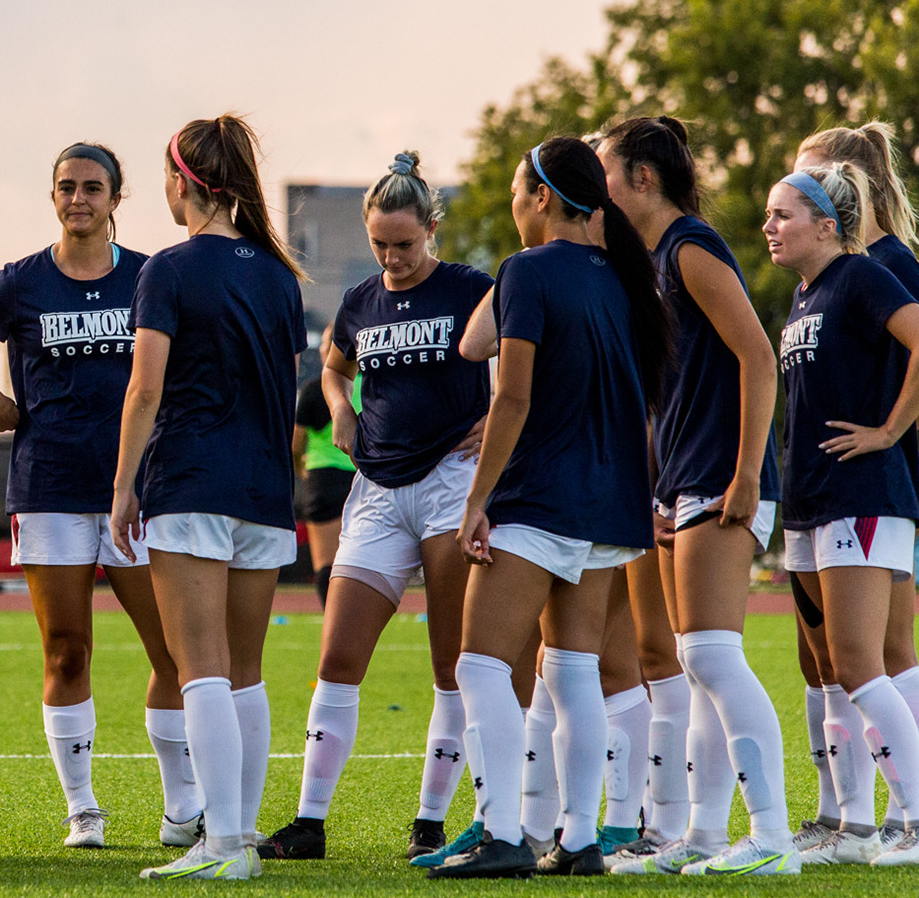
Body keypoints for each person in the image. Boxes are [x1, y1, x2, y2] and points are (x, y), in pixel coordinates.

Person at [0, 142, 199, 850]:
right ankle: (83, 809)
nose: (78, 198)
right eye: (66, 187)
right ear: (52, 197)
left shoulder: (152, 275)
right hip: (48, 487)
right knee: (66, 651)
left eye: (92, 187)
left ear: (117, 197)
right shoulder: (20, 281)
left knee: (170, 650)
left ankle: (183, 808)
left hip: (137, 491)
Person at [427, 136, 668, 879]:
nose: (510, 203)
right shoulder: (622, 276)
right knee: (571, 670)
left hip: (541, 501)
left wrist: (476, 502)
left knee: (479, 666)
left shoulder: (527, 271)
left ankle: (501, 832)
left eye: (512, 190)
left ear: (539, 196)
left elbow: (513, 395)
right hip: (609, 504)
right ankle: (582, 840)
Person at [259, 151, 490, 863]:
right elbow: (334, 365)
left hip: (454, 483)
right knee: (337, 655)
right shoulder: (362, 301)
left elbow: (524, 357)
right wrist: (340, 411)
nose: (392, 258)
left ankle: (430, 817)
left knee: (453, 661)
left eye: (405, 244)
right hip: (379, 491)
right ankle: (310, 821)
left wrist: (506, 418)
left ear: (431, 228)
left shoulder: (471, 289)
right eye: (380, 244)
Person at [592, 117, 791, 875]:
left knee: (710, 654)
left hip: (720, 479)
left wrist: (745, 474)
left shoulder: (691, 247)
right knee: (694, 659)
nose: (598, 189)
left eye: (606, 173)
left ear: (643, 178)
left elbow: (758, 358)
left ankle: (770, 840)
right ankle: (704, 840)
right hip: (683, 481)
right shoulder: (652, 262)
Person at [109, 114, 305, 882]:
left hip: (191, 482)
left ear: (182, 181)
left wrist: (124, 486)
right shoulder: (279, 273)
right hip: (264, 486)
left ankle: (224, 843)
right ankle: (237, 836)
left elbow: (145, 388)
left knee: (203, 671)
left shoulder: (168, 268)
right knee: (245, 672)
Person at [765, 162, 919, 866]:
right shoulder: (806, 293)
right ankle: (854, 830)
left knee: (859, 663)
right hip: (813, 501)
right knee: (834, 669)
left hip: (862, 496)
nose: (769, 227)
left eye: (782, 214)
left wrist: (888, 431)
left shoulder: (863, 275)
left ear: (826, 224)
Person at [291, 360, 356, 609]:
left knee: (326, 563)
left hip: (323, 480)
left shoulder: (316, 389)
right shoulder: (369, 383)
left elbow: (297, 444)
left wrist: (300, 468)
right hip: (363, 478)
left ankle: (334, 622)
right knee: (355, 561)